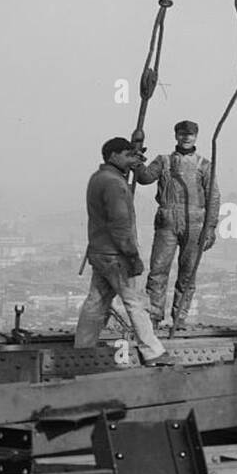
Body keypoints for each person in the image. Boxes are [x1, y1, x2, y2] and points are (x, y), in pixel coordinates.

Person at [73, 137, 173, 365]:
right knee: (134, 302)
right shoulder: (115, 184)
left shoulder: (99, 178)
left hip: (99, 252)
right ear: (113, 156)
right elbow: (120, 225)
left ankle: (83, 347)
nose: (131, 160)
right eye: (127, 155)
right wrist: (132, 255)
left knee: (96, 302)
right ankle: (153, 351)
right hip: (116, 255)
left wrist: (135, 159)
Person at [134, 119, 220, 332]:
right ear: (176, 135)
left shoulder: (204, 165)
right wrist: (136, 159)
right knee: (158, 270)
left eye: (190, 134)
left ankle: (179, 318)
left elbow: (213, 197)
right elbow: (144, 178)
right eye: (182, 133)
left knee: (188, 273)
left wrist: (210, 228)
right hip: (167, 221)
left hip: (195, 223)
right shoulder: (163, 161)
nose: (186, 137)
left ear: (196, 137)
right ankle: (154, 317)